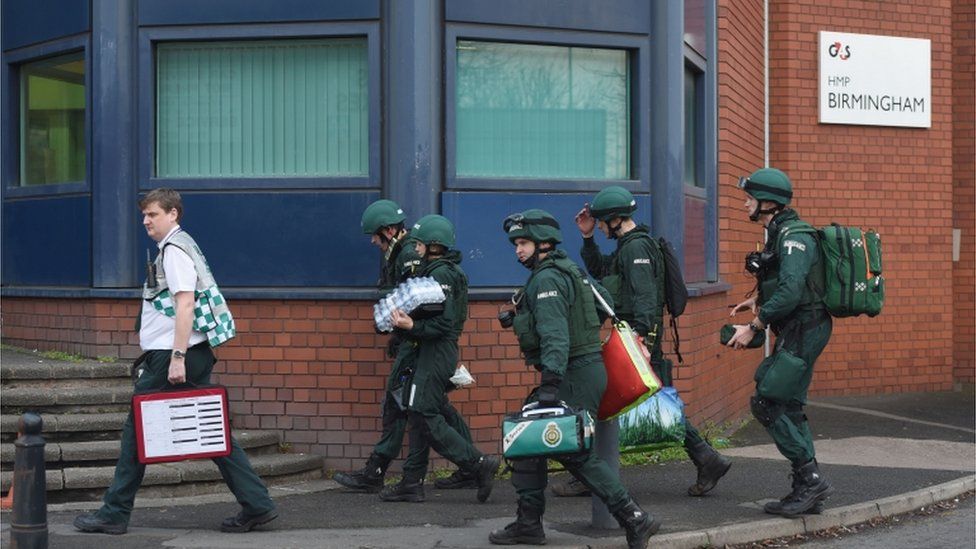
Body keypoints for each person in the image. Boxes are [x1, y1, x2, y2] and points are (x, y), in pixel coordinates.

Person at [74, 188, 277, 535]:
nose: (145, 221)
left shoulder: (175, 250)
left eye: (152, 214)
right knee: (213, 434)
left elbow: (186, 304)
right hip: (180, 354)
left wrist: (177, 357)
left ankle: (114, 513)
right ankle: (257, 504)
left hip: (173, 356)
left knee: (136, 432)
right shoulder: (179, 246)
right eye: (144, 215)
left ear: (173, 214)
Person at [490, 209, 657, 549]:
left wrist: (550, 383)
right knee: (527, 442)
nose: (517, 250)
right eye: (516, 244)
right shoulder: (569, 270)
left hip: (571, 374)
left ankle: (634, 517)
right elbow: (604, 302)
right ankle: (528, 524)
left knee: (573, 450)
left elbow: (555, 336)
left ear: (545, 243)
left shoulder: (547, 279)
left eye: (523, 243)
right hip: (582, 369)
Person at [569, 185, 731, 498]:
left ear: (616, 220)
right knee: (650, 402)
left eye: (601, 222)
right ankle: (707, 458)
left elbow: (646, 297)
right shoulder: (627, 246)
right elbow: (601, 271)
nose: (600, 226)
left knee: (608, 399)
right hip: (632, 338)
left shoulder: (637, 248)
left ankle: (591, 473)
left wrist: (640, 340)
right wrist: (587, 238)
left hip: (637, 340)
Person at [335, 200, 478, 493]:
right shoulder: (404, 252)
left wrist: (402, 333)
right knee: (433, 406)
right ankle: (472, 465)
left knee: (399, 402)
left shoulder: (411, 254)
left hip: (419, 343)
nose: (373, 241)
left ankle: (377, 471)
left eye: (375, 234)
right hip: (415, 341)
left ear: (388, 230)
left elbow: (417, 301)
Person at [727, 167, 833, 517]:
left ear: (768, 202)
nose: (745, 204)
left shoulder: (793, 237)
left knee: (767, 401)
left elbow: (791, 291)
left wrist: (754, 326)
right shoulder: (779, 231)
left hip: (804, 329)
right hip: (801, 327)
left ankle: (810, 480)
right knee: (788, 406)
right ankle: (809, 485)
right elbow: (787, 286)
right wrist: (756, 301)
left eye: (750, 198)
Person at [380, 214, 499, 503]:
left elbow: (443, 324)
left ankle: (477, 464)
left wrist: (411, 327)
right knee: (418, 413)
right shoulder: (437, 270)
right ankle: (411, 482)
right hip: (428, 351)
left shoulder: (442, 274)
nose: (415, 248)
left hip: (436, 353)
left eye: (419, 243)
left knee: (422, 412)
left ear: (433, 246)